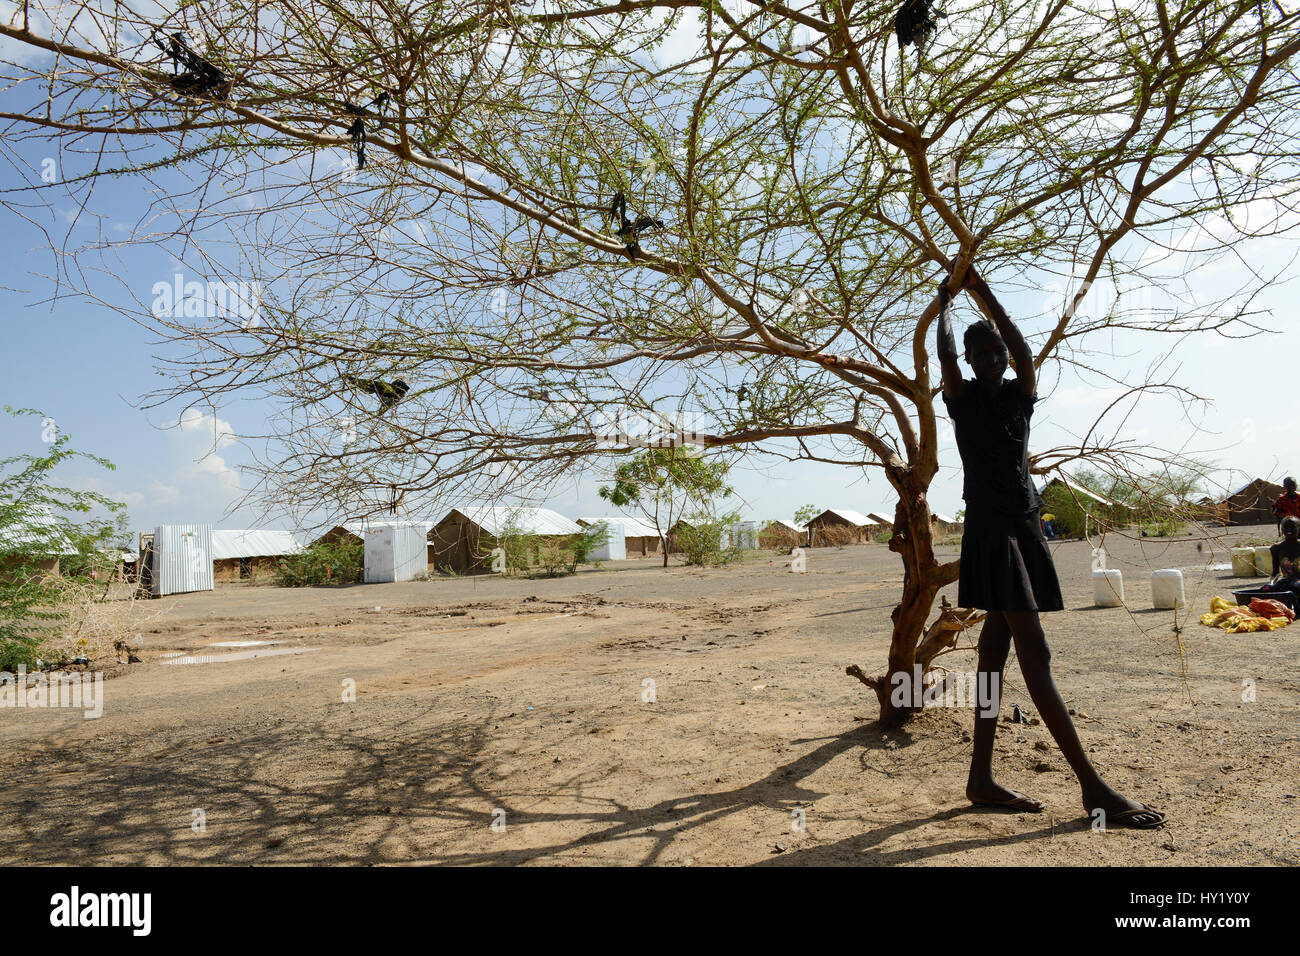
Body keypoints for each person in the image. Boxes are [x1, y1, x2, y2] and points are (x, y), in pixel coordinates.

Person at [936, 257, 1167, 829]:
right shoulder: (962, 402)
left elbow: (1018, 341)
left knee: (994, 653)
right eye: (981, 354)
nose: (993, 359)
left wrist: (982, 289)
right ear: (969, 363)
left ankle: (980, 777)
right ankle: (1094, 790)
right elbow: (943, 353)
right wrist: (945, 302)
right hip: (993, 535)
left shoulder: (1021, 394)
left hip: (1024, 528)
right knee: (1034, 653)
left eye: (998, 354)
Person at [1262, 516, 1300, 595]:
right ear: (1282, 530)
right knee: (1265, 589)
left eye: (1292, 527)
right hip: (1287, 581)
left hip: (1298, 583)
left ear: (1299, 529)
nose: (1289, 529)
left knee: (1296, 586)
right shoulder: (1276, 548)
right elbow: (1276, 573)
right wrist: (1271, 584)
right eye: (1286, 527)